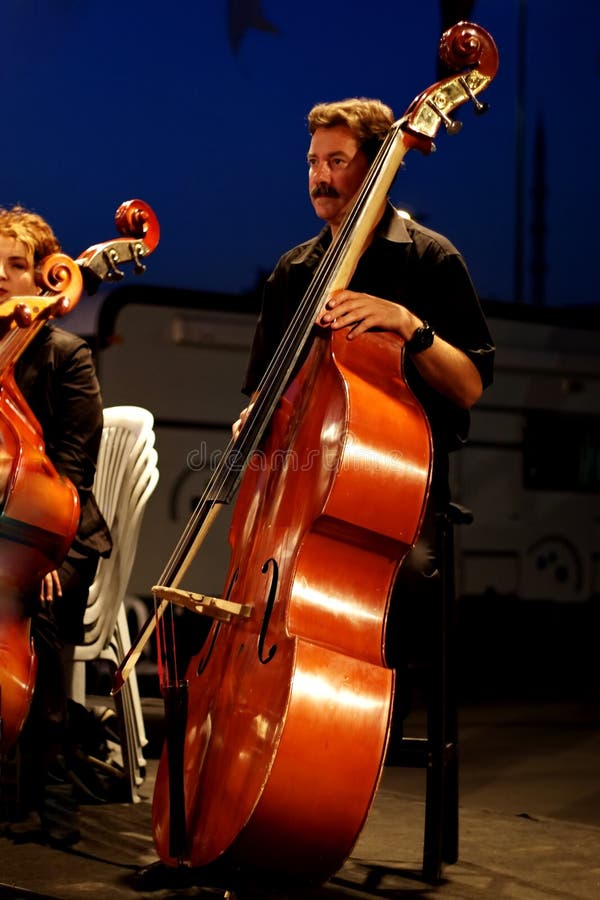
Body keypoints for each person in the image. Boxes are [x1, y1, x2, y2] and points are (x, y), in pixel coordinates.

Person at [237, 98, 494, 748]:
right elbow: (270, 393)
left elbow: (467, 386)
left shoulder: (429, 261)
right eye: (313, 163)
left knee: (396, 580)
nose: (319, 177)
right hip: (303, 491)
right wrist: (254, 419)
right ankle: (275, 723)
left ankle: (352, 730)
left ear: (379, 162)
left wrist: (409, 325)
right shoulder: (294, 273)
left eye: (337, 161)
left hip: (398, 502)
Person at [0, 205, 112, 843]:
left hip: (55, 531)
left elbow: (74, 465)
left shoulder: (65, 353)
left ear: (46, 275)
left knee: (37, 606)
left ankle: (52, 791)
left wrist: (44, 550)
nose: (0, 275)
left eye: (16, 264)